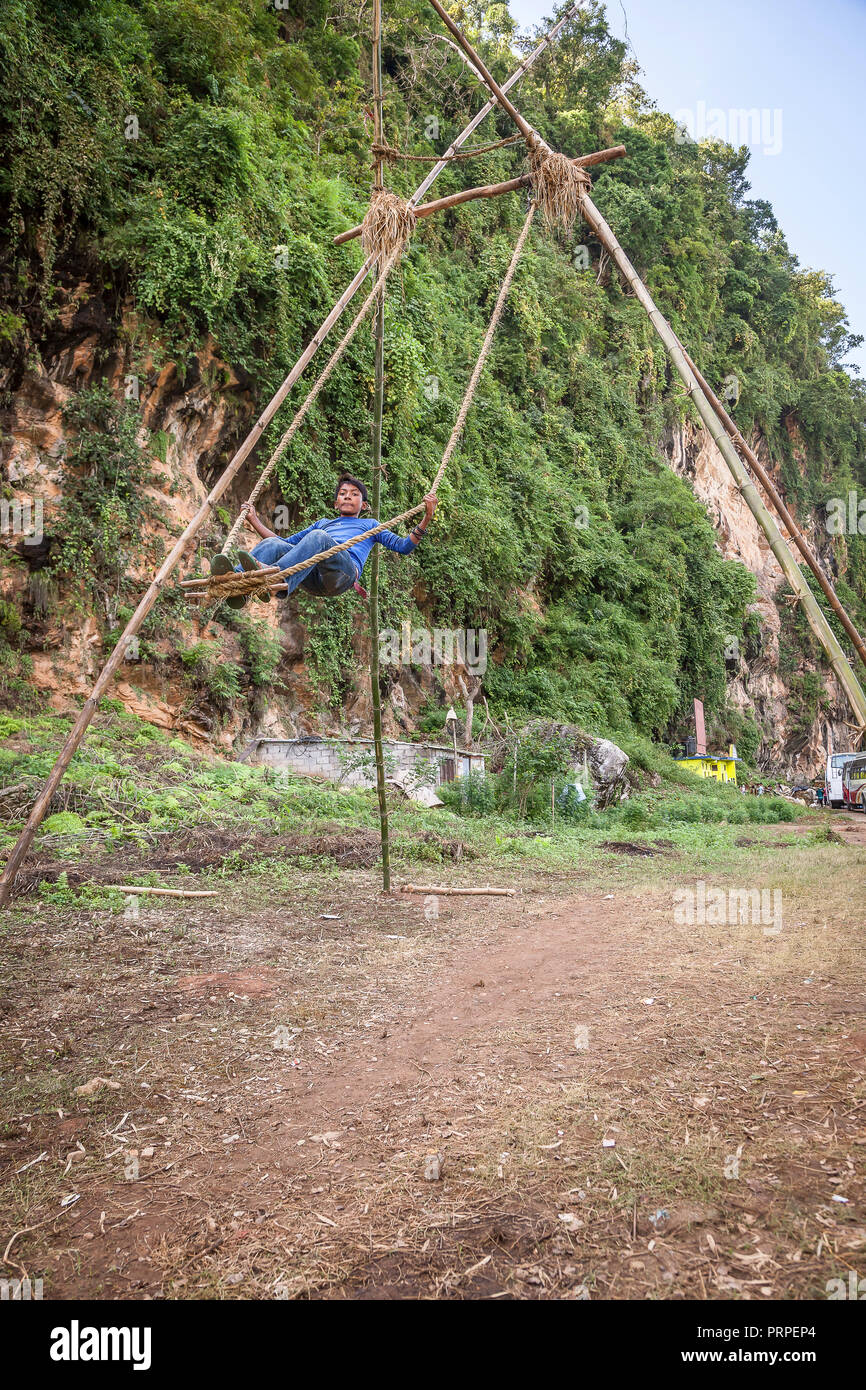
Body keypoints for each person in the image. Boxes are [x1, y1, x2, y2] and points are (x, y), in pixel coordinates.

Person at [212, 474, 437, 609]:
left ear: (364, 506)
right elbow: (283, 542)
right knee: (273, 545)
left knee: (319, 538)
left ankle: (273, 578)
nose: (348, 496)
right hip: (311, 577)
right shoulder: (323, 524)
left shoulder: (370, 526)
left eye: (355, 494)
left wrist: (426, 517)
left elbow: (404, 546)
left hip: (342, 573)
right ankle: (236, 581)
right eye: (343, 493)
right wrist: (253, 520)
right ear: (335, 503)